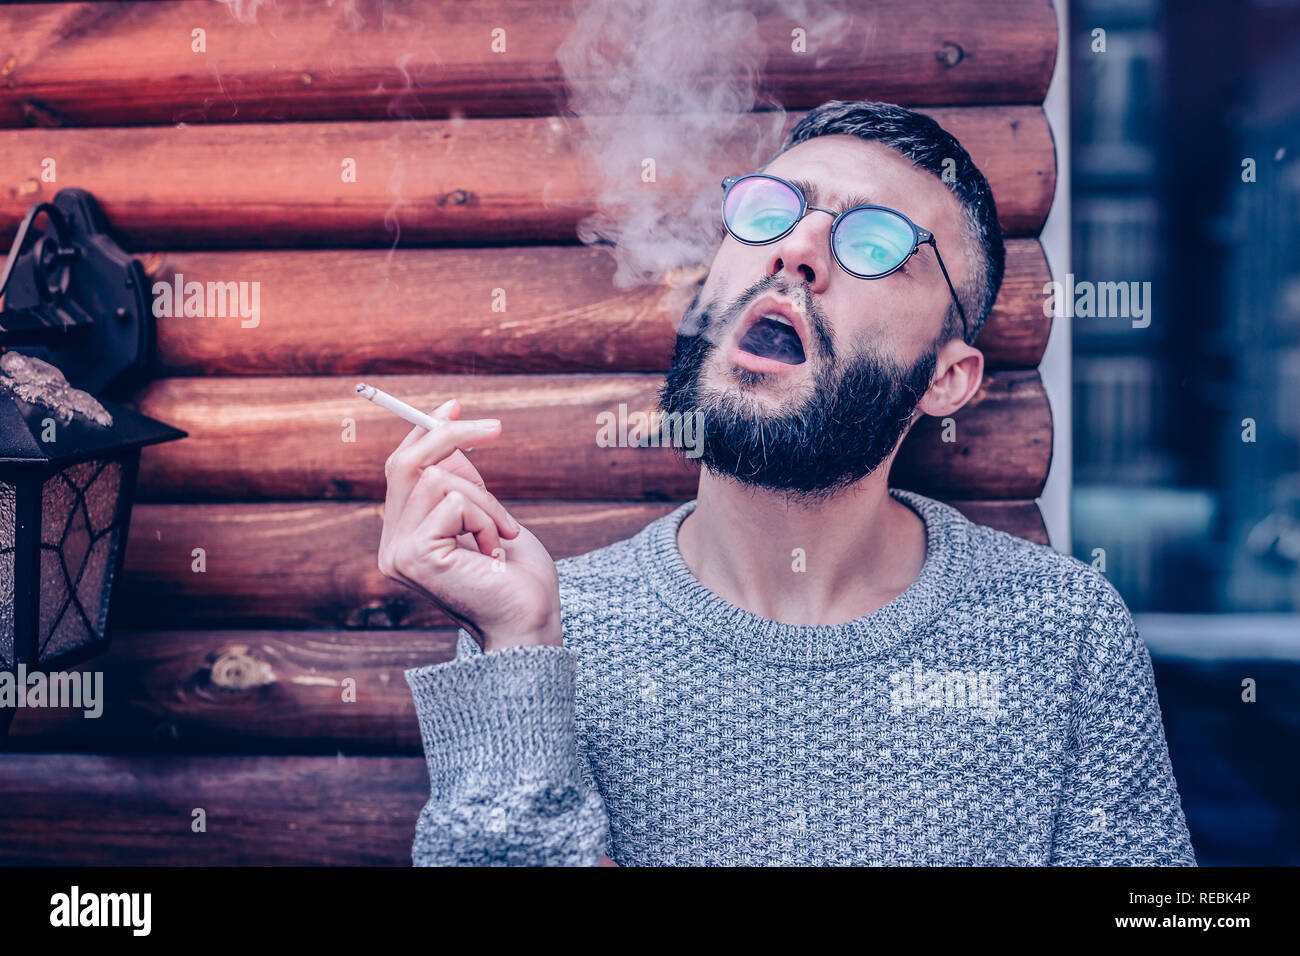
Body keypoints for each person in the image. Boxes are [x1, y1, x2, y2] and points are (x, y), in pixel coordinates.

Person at [379, 100, 1196, 866]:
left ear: (945, 381)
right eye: (770, 211)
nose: (795, 251)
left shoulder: (1062, 632)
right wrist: (520, 648)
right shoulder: (546, 630)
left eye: (876, 243)